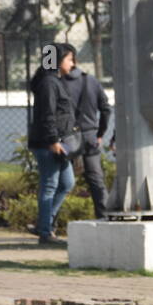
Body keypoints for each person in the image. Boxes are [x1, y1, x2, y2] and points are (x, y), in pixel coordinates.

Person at [27, 43, 80, 245]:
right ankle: (45, 233)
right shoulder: (49, 82)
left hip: (57, 143)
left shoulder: (54, 81)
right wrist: (53, 141)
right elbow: (47, 114)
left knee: (67, 183)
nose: (72, 64)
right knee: (50, 185)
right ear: (58, 61)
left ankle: (44, 224)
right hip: (48, 144)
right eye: (69, 59)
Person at [62, 60, 111, 217]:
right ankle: (104, 217)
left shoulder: (57, 83)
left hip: (67, 137)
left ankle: (49, 225)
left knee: (58, 181)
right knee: (96, 181)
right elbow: (105, 109)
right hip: (90, 136)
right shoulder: (91, 80)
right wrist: (100, 133)